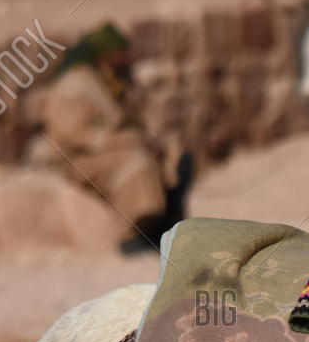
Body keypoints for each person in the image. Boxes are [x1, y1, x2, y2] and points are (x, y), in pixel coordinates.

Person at [25, 23, 191, 253]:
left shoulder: (111, 80)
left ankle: (166, 225)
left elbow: (133, 118)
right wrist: (123, 140)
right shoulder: (74, 84)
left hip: (114, 146)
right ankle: (132, 234)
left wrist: (145, 139)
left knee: (175, 155)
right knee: (135, 163)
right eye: (119, 54)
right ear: (105, 54)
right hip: (79, 157)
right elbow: (72, 135)